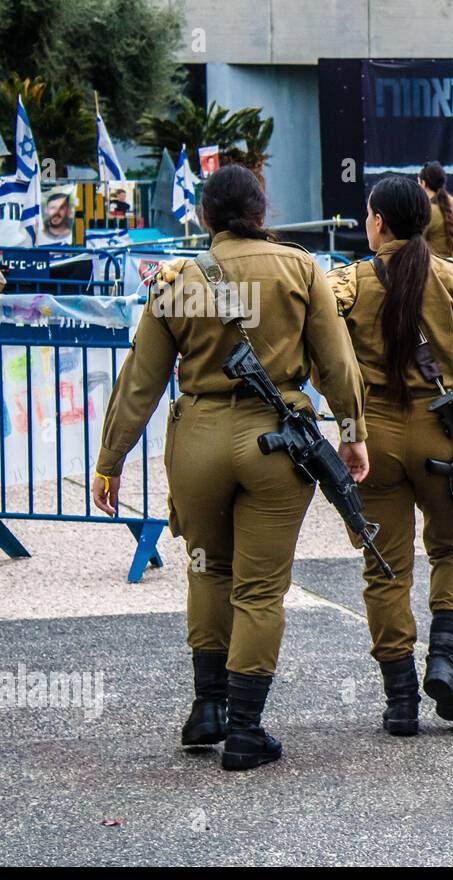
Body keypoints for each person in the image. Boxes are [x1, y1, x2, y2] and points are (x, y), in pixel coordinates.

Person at [90, 165, 370, 771]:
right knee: (260, 588)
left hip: (199, 442)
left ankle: (206, 708)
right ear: (262, 213)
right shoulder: (300, 269)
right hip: (277, 441)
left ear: (205, 217)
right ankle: (246, 729)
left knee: (208, 569)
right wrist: (352, 434)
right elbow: (338, 367)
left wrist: (110, 461)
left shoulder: (176, 280)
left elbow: (140, 381)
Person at [327, 175, 453, 735]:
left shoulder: (349, 283)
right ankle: (445, 658)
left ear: (378, 221)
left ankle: (400, 699)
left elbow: (323, 356)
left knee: (385, 569)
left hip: (372, 437)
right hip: (444, 433)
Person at [418, 162, 453, 258]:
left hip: (434, 268)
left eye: (418, 183)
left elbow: (414, 245)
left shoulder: (427, 210)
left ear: (423, 183)